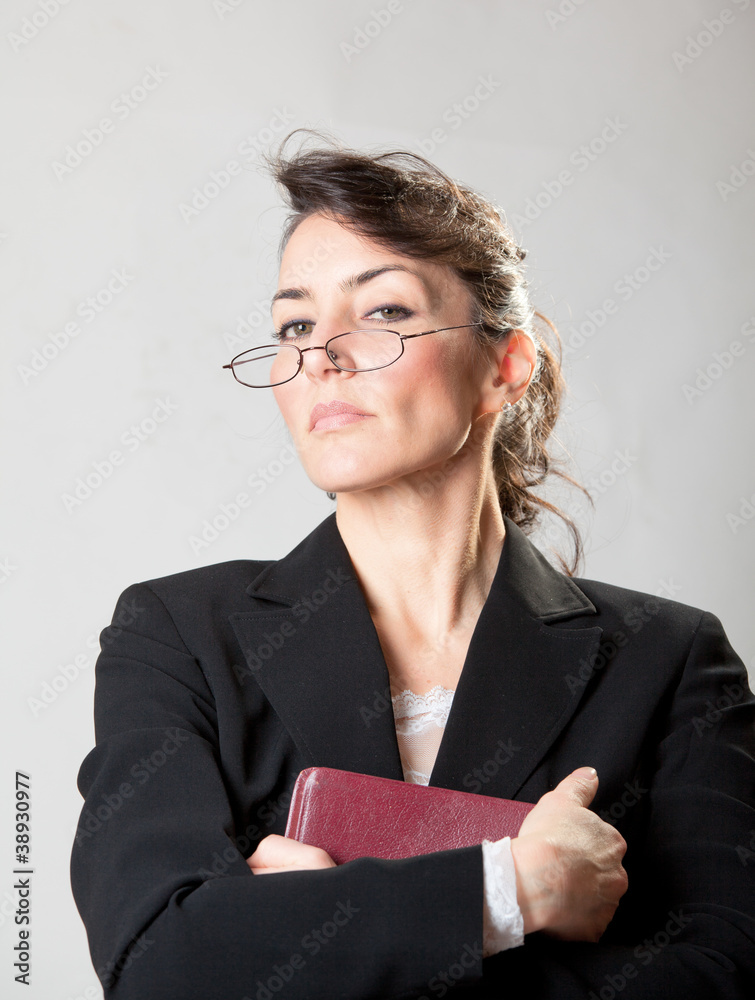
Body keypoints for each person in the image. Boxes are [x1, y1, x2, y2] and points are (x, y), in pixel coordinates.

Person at [70, 132, 755, 1000]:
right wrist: (511, 891)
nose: (322, 353)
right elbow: (159, 966)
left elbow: (718, 981)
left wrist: (315, 929)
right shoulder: (175, 634)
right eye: (295, 324)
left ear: (504, 367)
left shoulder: (670, 658)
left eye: (384, 311)